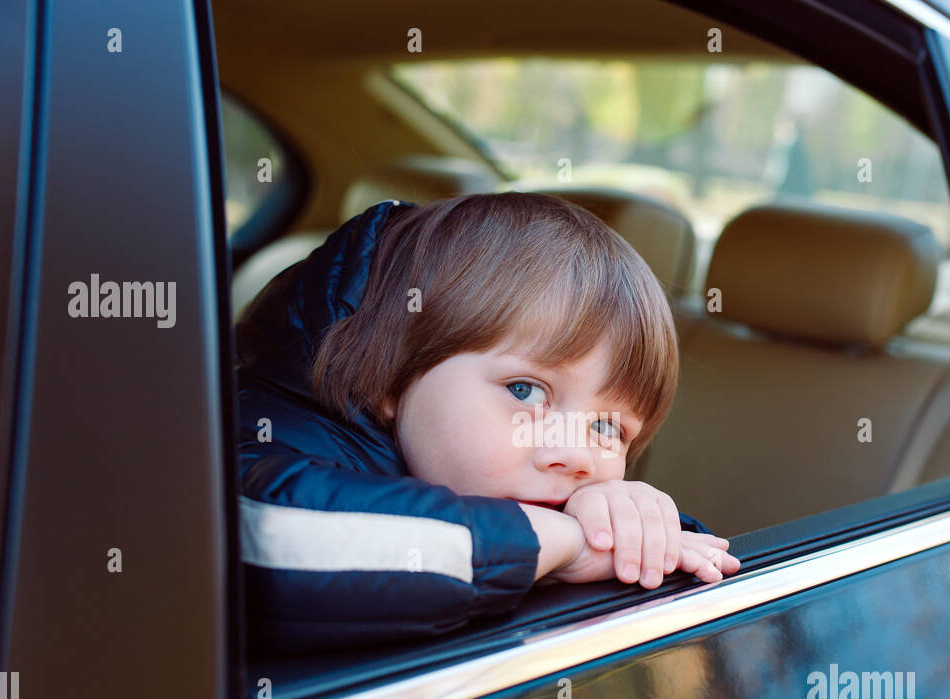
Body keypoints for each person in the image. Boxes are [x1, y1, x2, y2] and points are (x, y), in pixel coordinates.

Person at [235, 192, 739, 657]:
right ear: (391, 376)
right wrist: (560, 544)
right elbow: (268, 540)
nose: (578, 456)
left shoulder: (488, 470)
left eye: (608, 429)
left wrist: (631, 526)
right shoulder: (260, 436)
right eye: (525, 390)